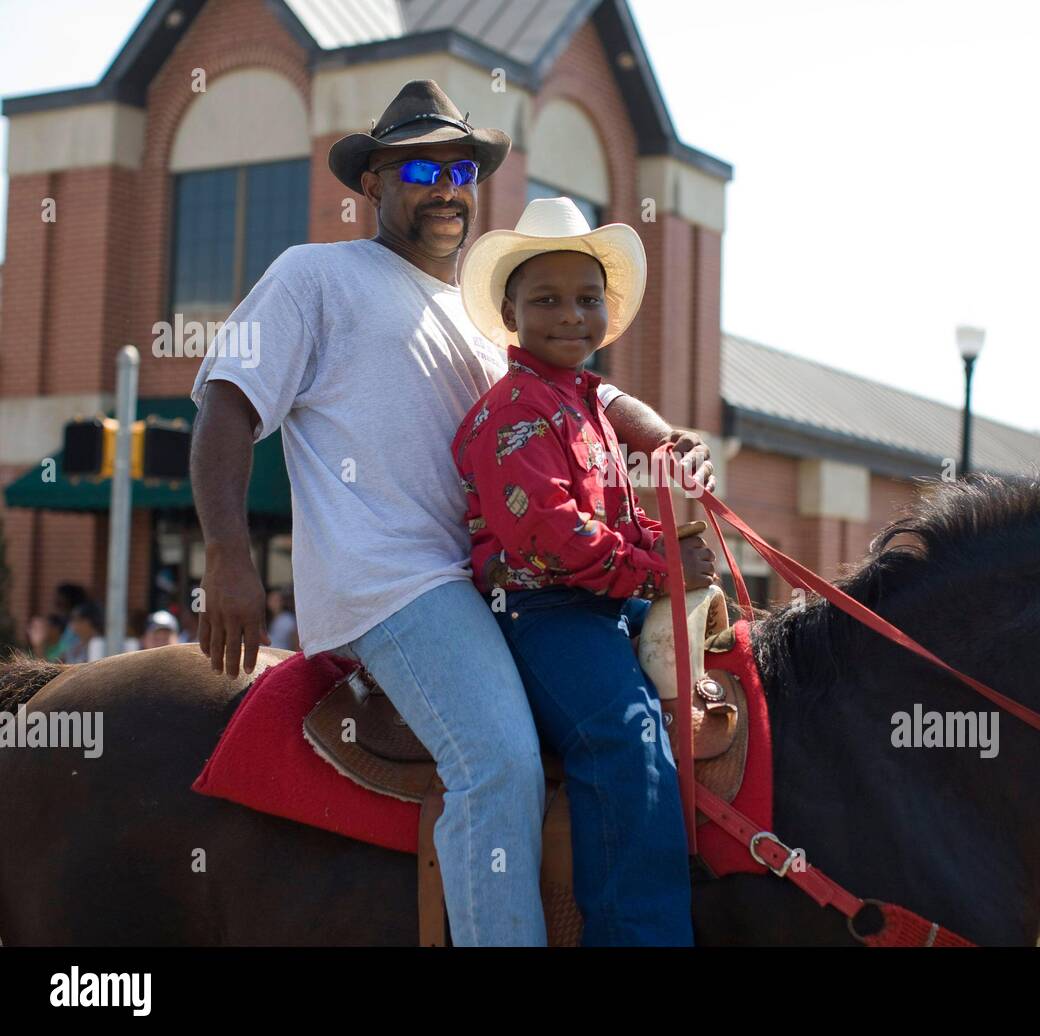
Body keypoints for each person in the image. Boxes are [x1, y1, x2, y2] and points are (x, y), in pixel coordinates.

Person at [189, 79, 716, 947]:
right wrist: (226, 555)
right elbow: (226, 407)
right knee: (498, 763)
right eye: (420, 167)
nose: (446, 186)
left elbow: (592, 391)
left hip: (501, 588)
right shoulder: (316, 274)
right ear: (372, 187)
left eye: (461, 167)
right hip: (396, 585)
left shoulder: (484, 322)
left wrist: (666, 436)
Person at [451, 197, 716, 944]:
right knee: (626, 745)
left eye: (587, 299)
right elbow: (549, 537)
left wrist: (671, 442)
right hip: (546, 613)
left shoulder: (583, 396)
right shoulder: (510, 414)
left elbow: (615, 407)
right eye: (547, 300)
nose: (572, 316)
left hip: (604, 599)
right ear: (510, 312)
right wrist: (661, 568)